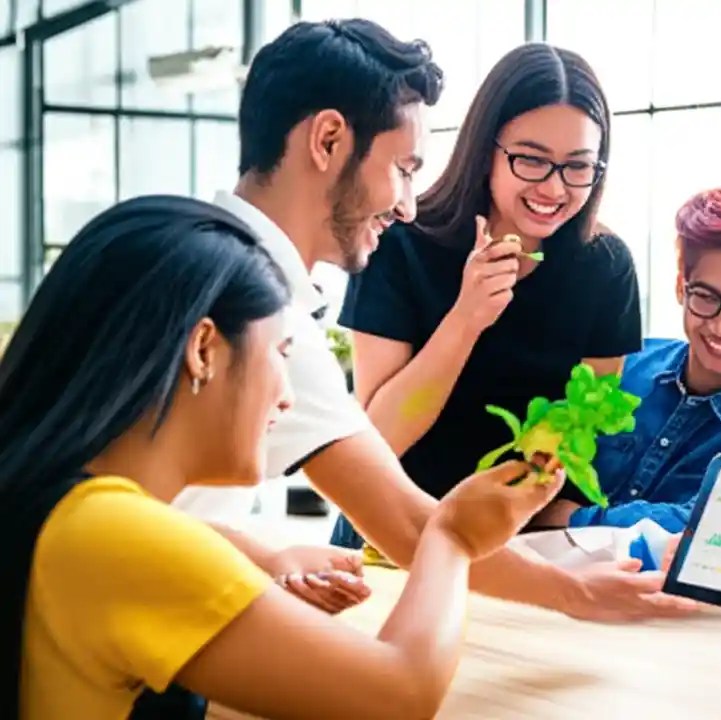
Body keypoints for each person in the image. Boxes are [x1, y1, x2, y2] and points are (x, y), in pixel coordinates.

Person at [171, 20, 690, 622]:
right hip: (392, 552)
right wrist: (465, 320)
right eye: (404, 168)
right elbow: (399, 504)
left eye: (578, 166)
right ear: (329, 140)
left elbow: (153, 516)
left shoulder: (164, 248)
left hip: (505, 548)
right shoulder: (259, 310)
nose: (407, 203)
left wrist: (262, 558)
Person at [1, 195, 563, 719]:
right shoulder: (115, 536)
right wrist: (451, 539)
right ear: (203, 350)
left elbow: (171, 542)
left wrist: (262, 561)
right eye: (280, 352)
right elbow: (399, 693)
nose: (288, 396)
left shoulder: (65, 507)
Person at [335, 42, 644, 541]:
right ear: (485, 151)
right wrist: (467, 318)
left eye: (578, 166)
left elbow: (581, 434)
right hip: (391, 532)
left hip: (521, 538)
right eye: (531, 160)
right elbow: (378, 442)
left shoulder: (605, 267)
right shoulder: (401, 244)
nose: (554, 188)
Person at [532, 185, 721, 533]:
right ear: (679, 287)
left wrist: (567, 516)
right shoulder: (621, 365)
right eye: (705, 297)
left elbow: (705, 532)